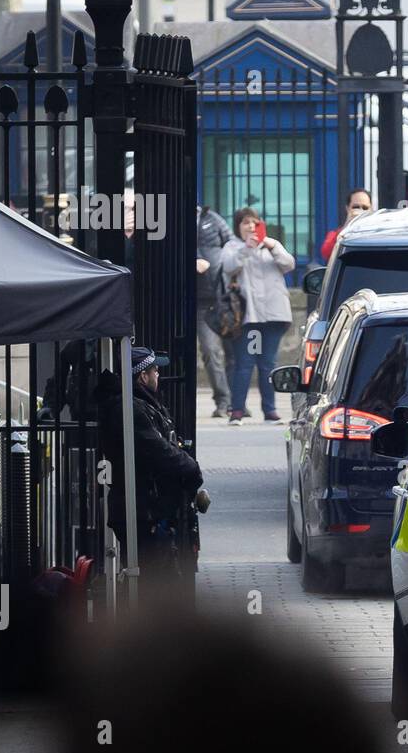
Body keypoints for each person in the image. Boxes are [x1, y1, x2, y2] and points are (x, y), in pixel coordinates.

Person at [96, 347, 209, 600]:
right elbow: (157, 450)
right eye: (155, 370)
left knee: (160, 574)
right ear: (141, 376)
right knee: (153, 580)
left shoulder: (142, 404)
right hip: (141, 510)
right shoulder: (129, 409)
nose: (158, 374)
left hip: (150, 507)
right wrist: (191, 468)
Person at [220, 207, 296, 425]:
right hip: (248, 317)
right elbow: (228, 267)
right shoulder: (233, 247)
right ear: (238, 227)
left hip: (273, 315)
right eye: (246, 223)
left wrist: (272, 247)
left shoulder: (271, 244)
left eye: (254, 223)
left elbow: (288, 264)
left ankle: (270, 409)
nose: (251, 227)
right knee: (244, 363)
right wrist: (246, 249)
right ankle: (237, 410)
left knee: (268, 364)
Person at [196, 205, 234, 418]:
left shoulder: (212, 218)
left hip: (221, 296)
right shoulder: (172, 219)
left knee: (231, 353)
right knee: (210, 351)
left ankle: (231, 402)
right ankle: (223, 400)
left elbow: (230, 244)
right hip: (196, 299)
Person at [320, 188, 373, 263]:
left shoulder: (377, 234)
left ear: (371, 209)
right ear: (347, 208)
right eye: (356, 207)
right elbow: (326, 253)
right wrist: (347, 226)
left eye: (365, 208)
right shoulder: (336, 234)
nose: (361, 211)